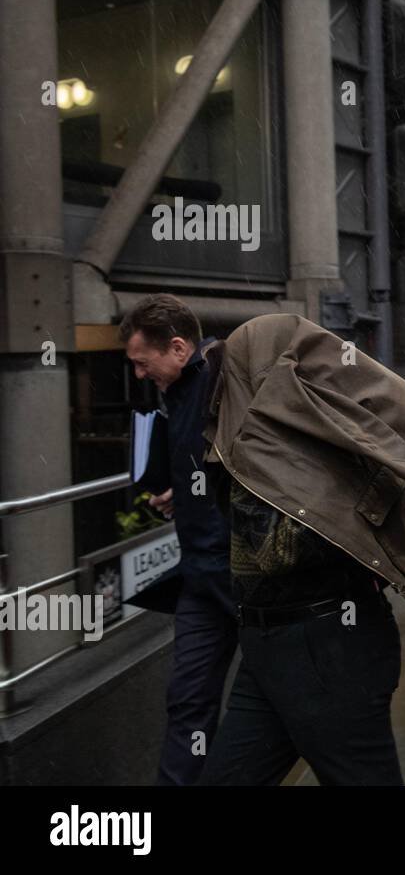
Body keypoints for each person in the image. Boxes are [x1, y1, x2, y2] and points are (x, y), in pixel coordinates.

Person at [199, 314, 405, 784]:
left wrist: (245, 469)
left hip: (325, 648)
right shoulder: (260, 439)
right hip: (267, 646)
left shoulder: (303, 443)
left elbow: (278, 553)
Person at [121, 294, 238, 786]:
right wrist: (185, 491)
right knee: (187, 698)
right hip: (200, 575)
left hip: (240, 573)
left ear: (176, 347)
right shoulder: (178, 389)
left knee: (290, 700)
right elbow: (206, 460)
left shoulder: (224, 377)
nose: (141, 376)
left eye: (143, 364)